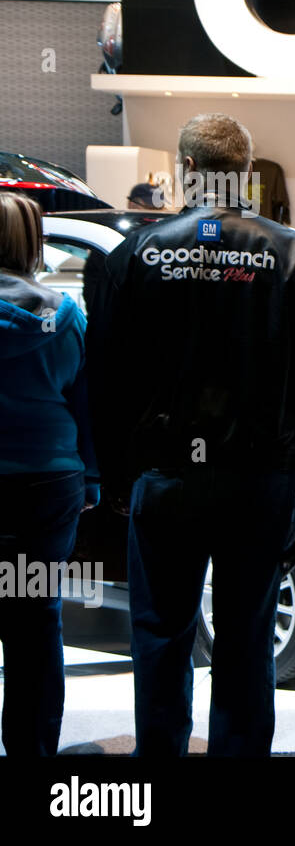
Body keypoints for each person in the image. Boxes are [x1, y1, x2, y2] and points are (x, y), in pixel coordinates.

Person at [86, 112, 295, 756]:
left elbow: (106, 381)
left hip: (165, 480)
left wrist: (117, 478)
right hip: (257, 482)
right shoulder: (293, 256)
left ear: (185, 172)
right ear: (246, 174)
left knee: (160, 632)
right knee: (245, 638)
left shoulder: (137, 256)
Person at [0, 193, 98, 756]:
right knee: (36, 623)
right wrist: (91, 482)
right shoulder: (61, 314)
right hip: (46, 485)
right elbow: (84, 403)